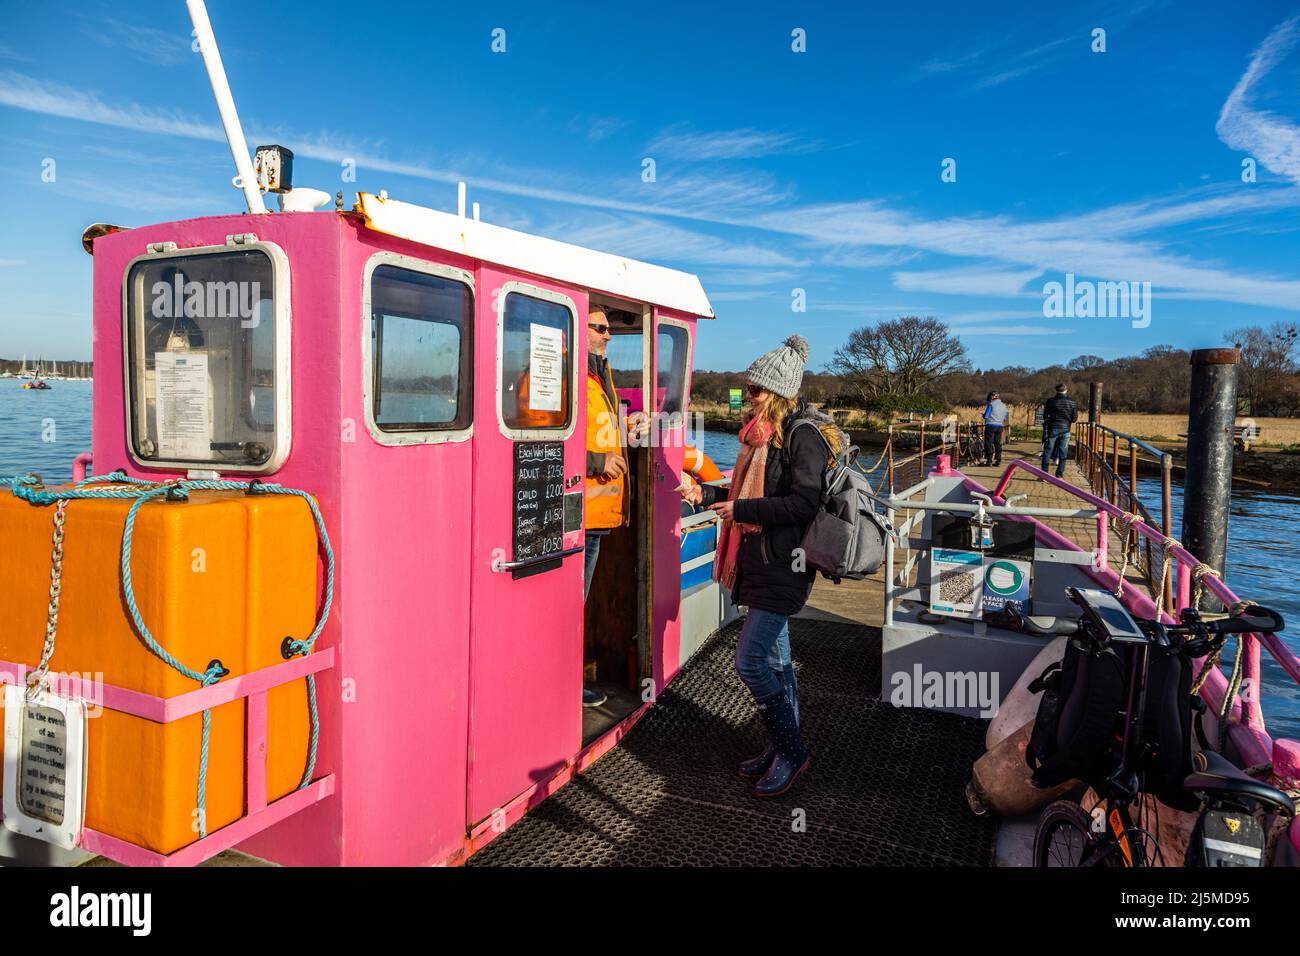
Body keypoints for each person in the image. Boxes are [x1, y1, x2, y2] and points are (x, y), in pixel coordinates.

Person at [684, 334, 842, 797]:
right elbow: (742, 494)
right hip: (760, 561)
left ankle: (791, 751)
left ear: (777, 392)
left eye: (755, 389)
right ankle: (780, 747)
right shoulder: (761, 437)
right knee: (778, 663)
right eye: (748, 387)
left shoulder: (802, 436)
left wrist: (744, 513)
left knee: (751, 661)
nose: (747, 396)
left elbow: (802, 504)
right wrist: (708, 495)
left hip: (784, 565)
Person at [583, 306, 649, 707]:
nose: (609, 336)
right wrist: (597, 462)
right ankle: (557, 691)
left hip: (596, 517)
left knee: (576, 607)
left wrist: (625, 427)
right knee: (566, 609)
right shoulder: (560, 374)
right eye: (601, 328)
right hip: (575, 516)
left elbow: (589, 428)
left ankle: (562, 686)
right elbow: (542, 439)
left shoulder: (597, 376)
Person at [1041, 383, 1078, 478]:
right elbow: (1074, 419)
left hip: (1052, 428)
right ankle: (1059, 474)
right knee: (1063, 451)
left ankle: (1044, 474)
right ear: (1066, 390)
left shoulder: (1050, 401)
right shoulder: (1072, 402)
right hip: (1065, 429)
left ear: (1056, 390)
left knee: (1048, 450)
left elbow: (1045, 416)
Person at [981, 391, 1009, 466]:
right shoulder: (1004, 405)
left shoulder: (991, 404)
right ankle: (998, 460)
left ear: (992, 397)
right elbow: (1006, 418)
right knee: (997, 443)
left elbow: (986, 416)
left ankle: (989, 460)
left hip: (990, 425)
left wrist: (983, 415)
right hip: (1000, 426)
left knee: (989, 443)